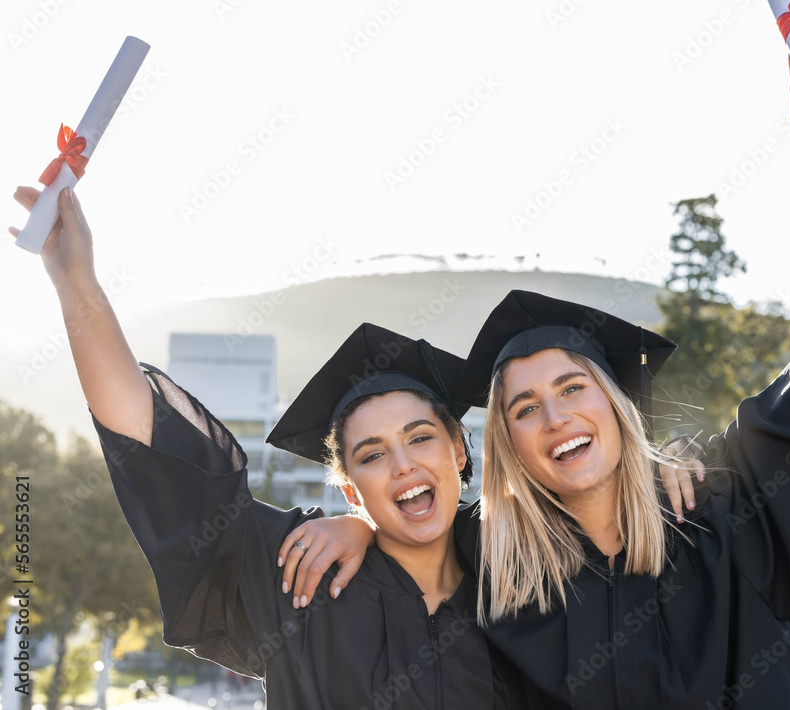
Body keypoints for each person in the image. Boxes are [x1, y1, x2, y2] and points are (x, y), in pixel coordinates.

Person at [274, 34, 790, 708]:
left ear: (616, 406)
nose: (555, 418)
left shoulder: (725, 509)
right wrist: (360, 527)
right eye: (522, 410)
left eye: (571, 388)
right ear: (510, 449)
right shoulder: (498, 563)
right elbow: (413, 523)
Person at [8, 183, 543, 708]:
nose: (402, 464)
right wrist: (77, 284)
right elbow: (155, 445)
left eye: (420, 438)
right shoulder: (299, 577)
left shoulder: (534, 587)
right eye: (372, 454)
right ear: (351, 492)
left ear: (459, 452)